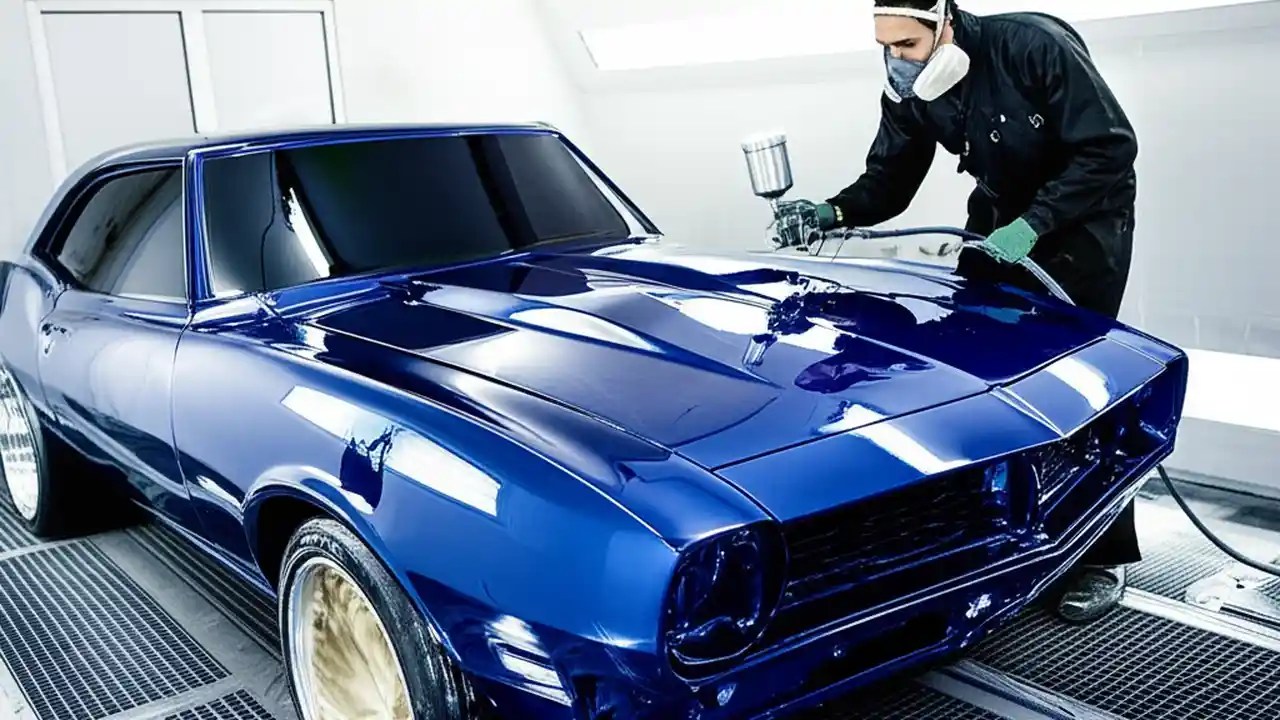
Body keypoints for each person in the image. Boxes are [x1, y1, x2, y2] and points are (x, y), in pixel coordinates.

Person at [775, 0, 1140, 624]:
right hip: (998, 221)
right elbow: (890, 178)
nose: (898, 60)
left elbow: (1108, 151)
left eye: (909, 45)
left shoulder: (1032, 46)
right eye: (885, 46)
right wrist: (834, 211)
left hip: (1080, 226)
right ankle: (994, 531)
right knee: (972, 369)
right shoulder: (912, 84)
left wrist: (1036, 226)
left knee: (1077, 389)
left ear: (945, 22)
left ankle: (1100, 557)